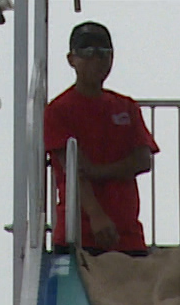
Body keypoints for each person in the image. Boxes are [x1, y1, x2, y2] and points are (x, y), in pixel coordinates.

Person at [44, 22, 158, 253]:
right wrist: (97, 215)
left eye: (103, 53)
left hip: (127, 234)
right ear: (71, 59)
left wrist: (97, 171)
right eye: (87, 53)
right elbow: (72, 168)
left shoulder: (126, 106)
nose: (96, 60)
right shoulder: (59, 110)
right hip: (78, 235)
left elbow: (143, 161)